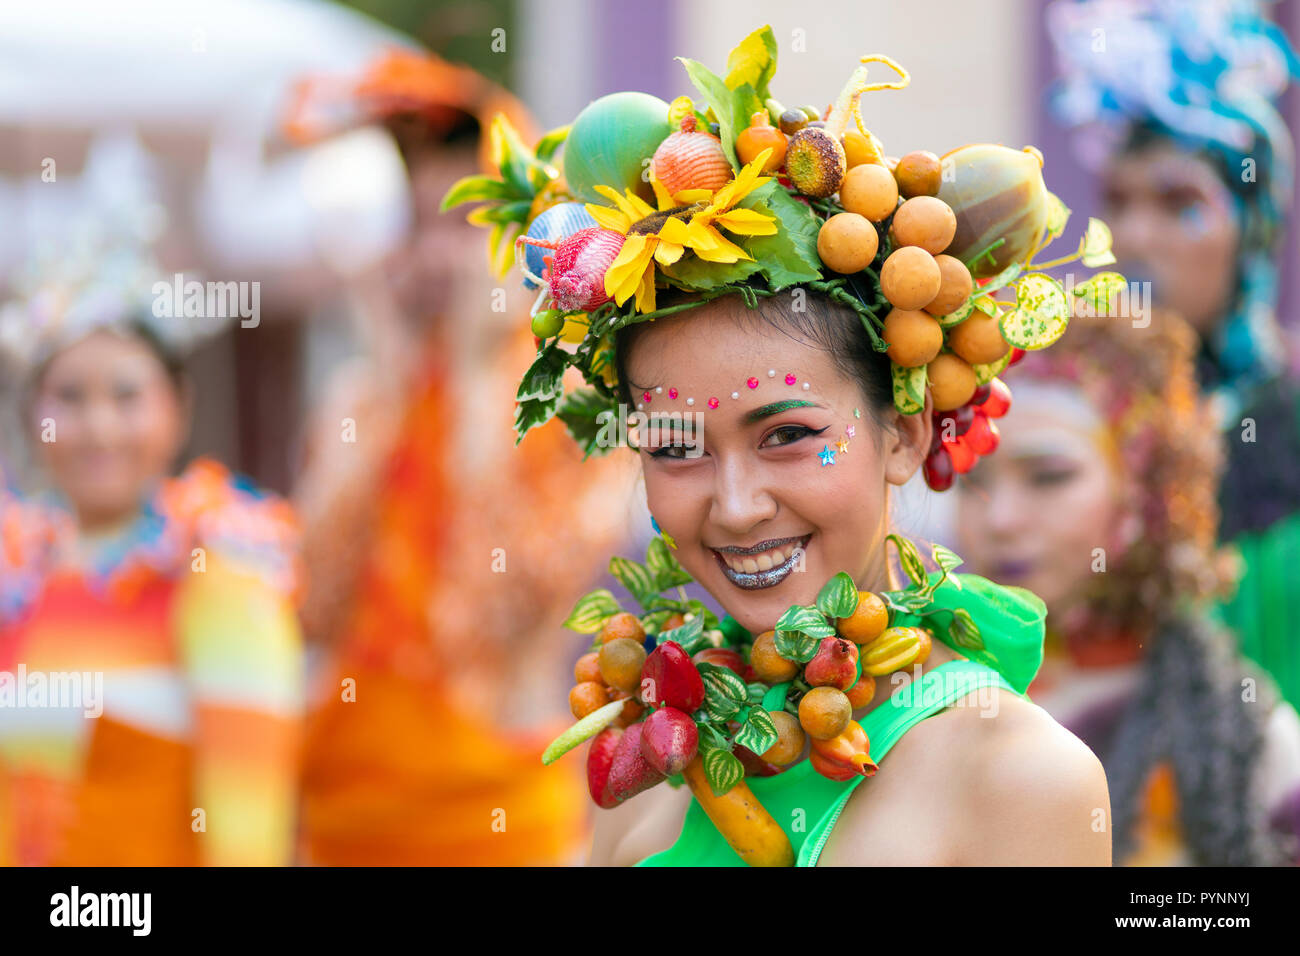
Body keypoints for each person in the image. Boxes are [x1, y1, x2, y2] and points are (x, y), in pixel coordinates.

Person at [450, 26, 1117, 866]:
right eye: (675, 447)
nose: (735, 506)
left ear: (903, 435)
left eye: (789, 436)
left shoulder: (1021, 778)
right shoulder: (651, 755)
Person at [285, 49, 635, 865]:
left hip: (495, 810)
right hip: (342, 811)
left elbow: (498, 603)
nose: (430, 257)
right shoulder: (368, 392)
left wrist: (481, 380)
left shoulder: (570, 394)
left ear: (513, 243)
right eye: (412, 225)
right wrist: (387, 376)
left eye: (457, 227)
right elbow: (312, 604)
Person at [955, 306, 1300, 865]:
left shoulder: (1244, 738)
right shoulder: (916, 707)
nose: (1001, 520)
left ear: (1146, 492)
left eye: (1049, 477)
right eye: (974, 481)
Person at [0, 238, 304, 866]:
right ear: (34, 416)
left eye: (126, 396)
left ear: (179, 407)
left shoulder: (220, 562)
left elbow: (249, 815)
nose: (99, 428)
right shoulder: (15, 570)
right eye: (71, 398)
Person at [1048, 0, 1300, 707]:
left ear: (1254, 227)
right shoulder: (1073, 421)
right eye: (1118, 202)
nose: (1133, 237)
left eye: (1179, 204)